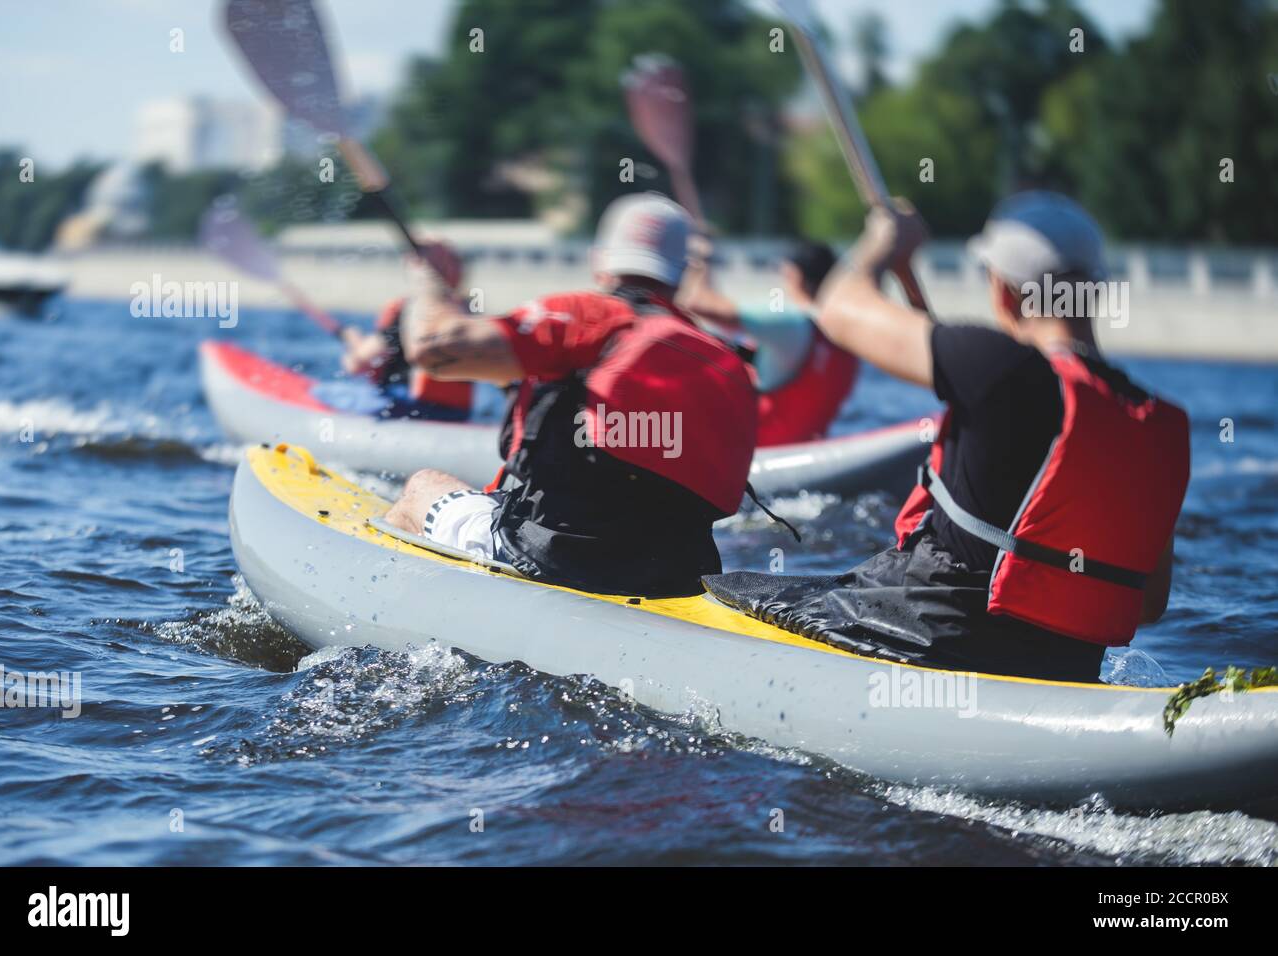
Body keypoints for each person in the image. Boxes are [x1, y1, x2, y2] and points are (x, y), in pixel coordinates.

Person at [705, 191, 1190, 682]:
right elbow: (1147, 605)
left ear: (1002, 290)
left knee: (725, 587)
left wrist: (883, 242)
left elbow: (837, 308)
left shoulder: (996, 364)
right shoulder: (1159, 425)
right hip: (1060, 666)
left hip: (921, 640)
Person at [384, 193, 761, 598]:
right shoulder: (721, 356)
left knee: (422, 487)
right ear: (682, 272)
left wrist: (431, 284)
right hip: (677, 580)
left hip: (552, 561)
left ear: (600, 261)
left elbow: (430, 348)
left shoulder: (586, 317)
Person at [677, 239, 860, 446]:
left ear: (793, 275)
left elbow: (698, 303)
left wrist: (703, 260)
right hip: (806, 445)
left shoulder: (790, 324)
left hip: (761, 450)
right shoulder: (846, 336)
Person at [338, 239, 474, 422]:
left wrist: (352, 341)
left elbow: (359, 364)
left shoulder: (409, 311)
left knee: (323, 392)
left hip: (409, 407)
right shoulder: (469, 311)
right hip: (456, 414)